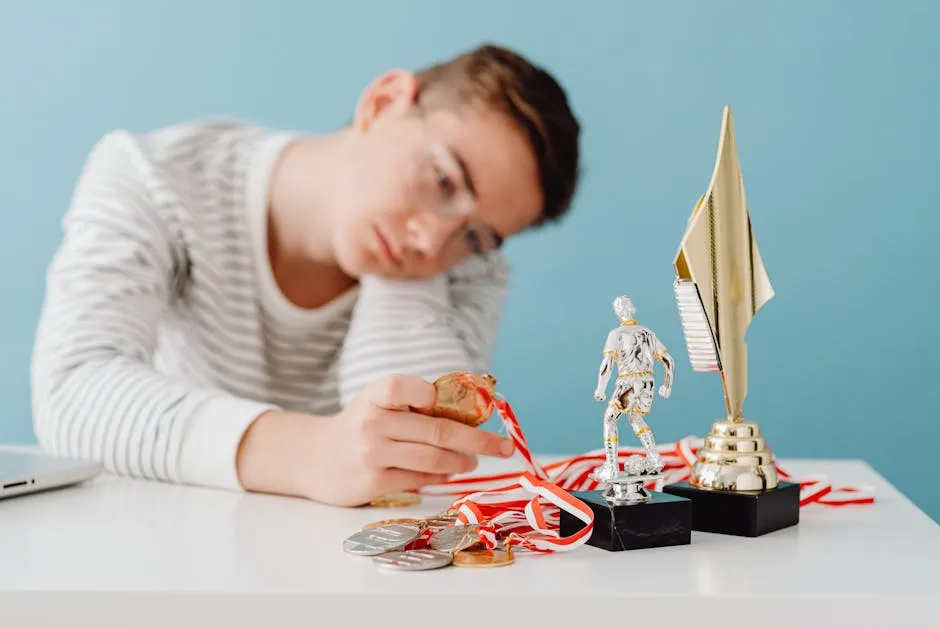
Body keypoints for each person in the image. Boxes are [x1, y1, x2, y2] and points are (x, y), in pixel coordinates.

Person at [30, 44, 581, 507]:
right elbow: (71, 391)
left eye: (476, 233)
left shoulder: (468, 265)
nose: (435, 243)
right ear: (383, 102)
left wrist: (404, 268)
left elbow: (413, 468)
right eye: (442, 180)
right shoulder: (155, 176)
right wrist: (305, 455)